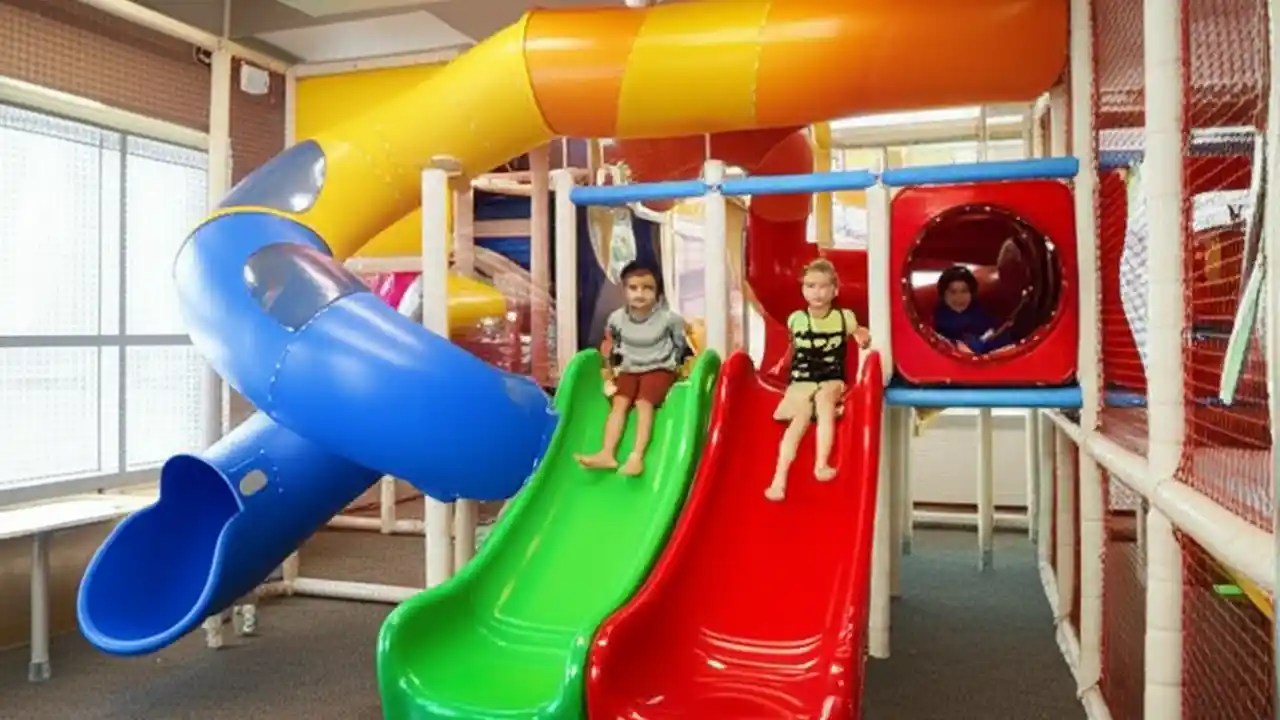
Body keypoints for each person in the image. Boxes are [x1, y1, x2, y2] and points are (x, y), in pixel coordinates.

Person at [767, 258, 871, 501]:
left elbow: (860, 332)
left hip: (831, 378)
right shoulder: (796, 319)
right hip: (802, 381)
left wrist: (863, 336)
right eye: (811, 286)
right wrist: (779, 368)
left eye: (824, 286)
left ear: (835, 290)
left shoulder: (844, 317)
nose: (817, 292)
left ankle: (821, 463)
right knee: (799, 419)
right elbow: (792, 349)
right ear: (803, 289)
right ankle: (779, 479)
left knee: (825, 400)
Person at [575, 261, 689, 477]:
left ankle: (636, 457)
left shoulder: (668, 319)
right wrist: (611, 367)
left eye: (647, 288)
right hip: (630, 368)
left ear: (657, 291)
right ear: (624, 290)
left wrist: (677, 366)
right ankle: (607, 453)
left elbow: (680, 343)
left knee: (643, 404)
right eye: (633, 288)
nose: (640, 294)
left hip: (658, 368)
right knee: (619, 404)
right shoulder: (617, 319)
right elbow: (614, 343)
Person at [932, 264, 1012, 355]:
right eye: (953, 292)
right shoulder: (940, 325)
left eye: (964, 291)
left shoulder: (981, 314)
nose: (959, 297)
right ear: (943, 295)